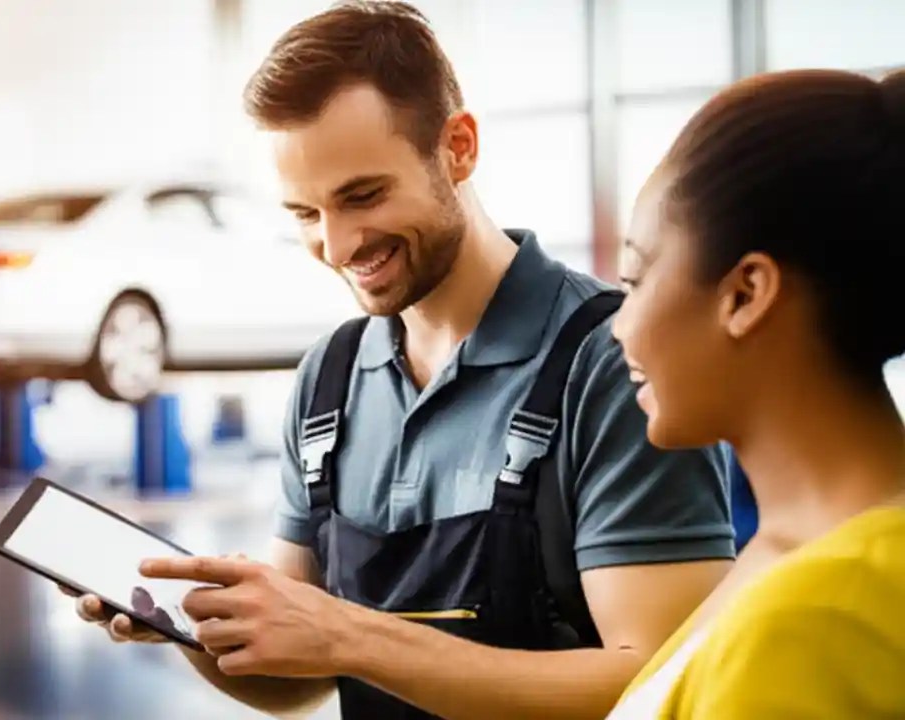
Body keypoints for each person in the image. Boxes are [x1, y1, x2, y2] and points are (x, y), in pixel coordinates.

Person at [69, 3, 735, 718]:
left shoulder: (614, 363)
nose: (338, 243)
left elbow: (669, 688)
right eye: (304, 213)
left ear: (459, 147)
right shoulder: (327, 381)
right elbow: (297, 682)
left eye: (363, 195)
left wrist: (351, 635)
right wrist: (185, 628)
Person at [603, 68, 905, 718]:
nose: (618, 326)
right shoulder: (809, 560)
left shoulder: (813, 619)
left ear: (745, 294)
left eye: (633, 280)